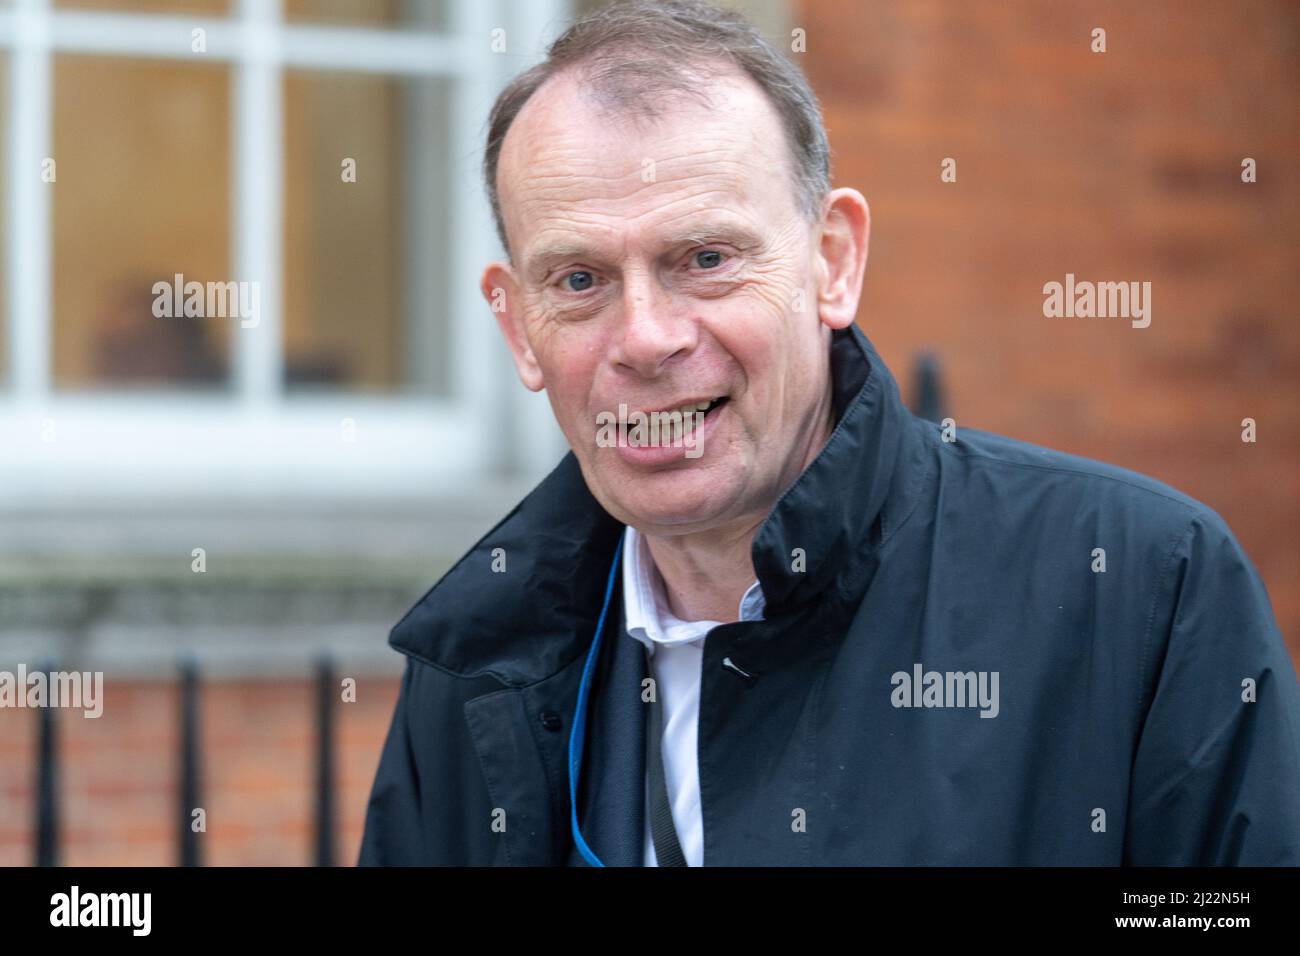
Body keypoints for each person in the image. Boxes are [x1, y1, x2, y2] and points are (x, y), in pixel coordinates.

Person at [359, 0, 1300, 866]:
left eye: (706, 259)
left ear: (833, 263)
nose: (644, 338)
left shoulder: (1142, 592)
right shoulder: (476, 669)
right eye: (578, 281)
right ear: (517, 323)